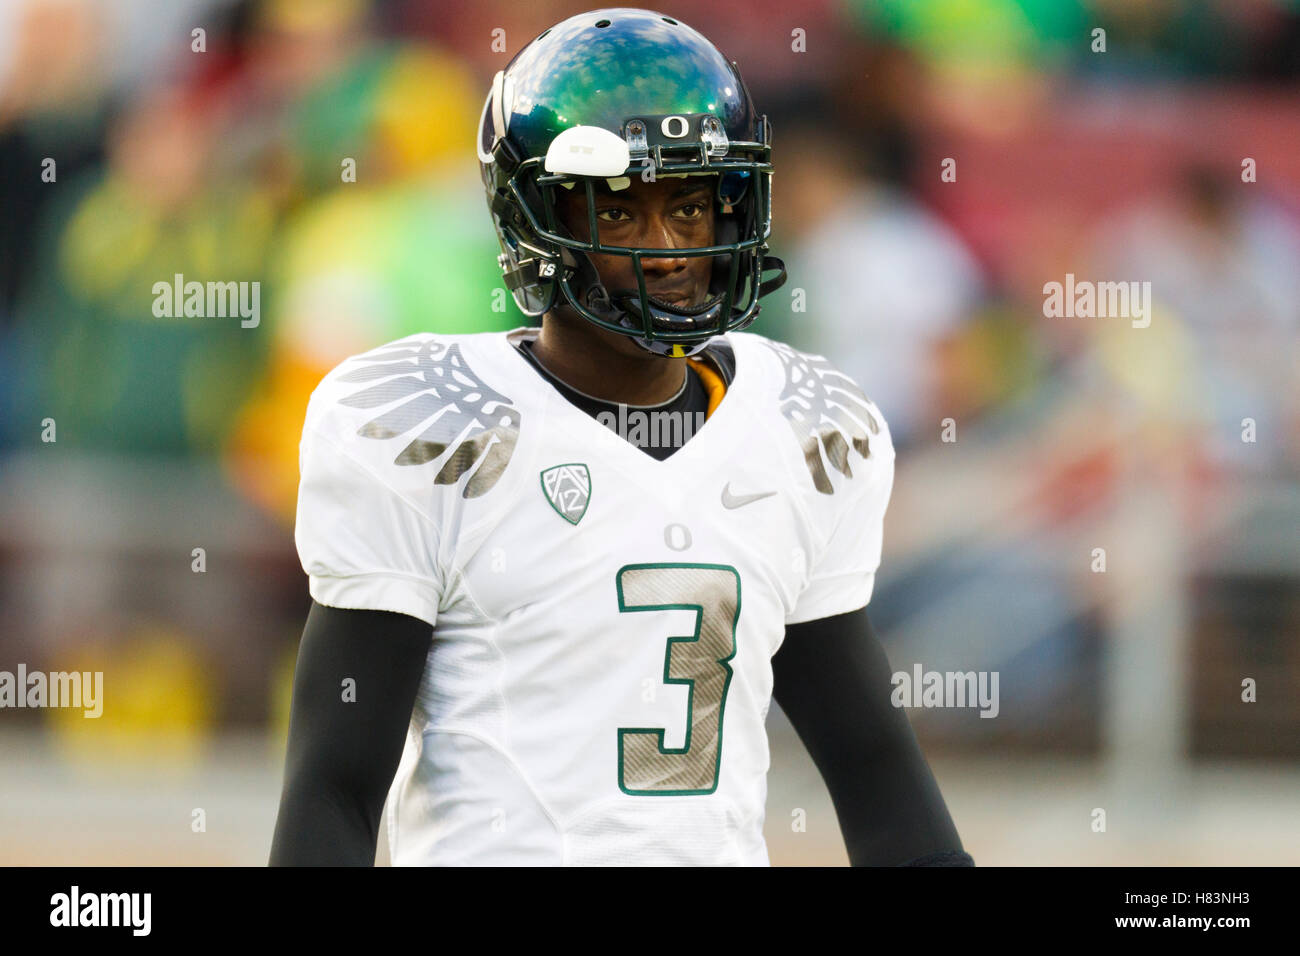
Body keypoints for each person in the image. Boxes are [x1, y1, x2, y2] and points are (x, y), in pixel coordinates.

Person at [270, 8, 970, 867]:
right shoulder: (438, 429)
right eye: (621, 211)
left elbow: (876, 772)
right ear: (535, 218)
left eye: (690, 208)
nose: (668, 250)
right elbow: (334, 789)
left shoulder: (796, 428)